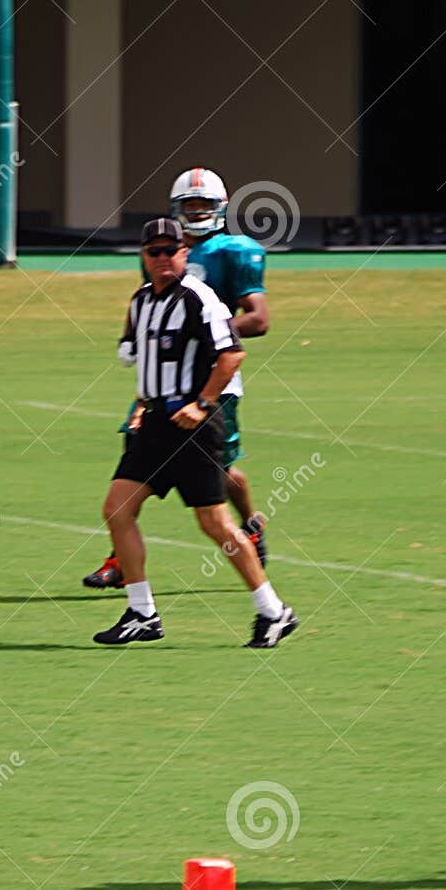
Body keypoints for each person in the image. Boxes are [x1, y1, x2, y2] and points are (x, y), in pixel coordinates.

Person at [93, 217, 298, 650]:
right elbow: (140, 357)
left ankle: (273, 611)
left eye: (173, 250)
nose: (164, 258)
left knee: (216, 523)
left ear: (186, 254)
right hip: (152, 424)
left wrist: (202, 403)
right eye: (155, 251)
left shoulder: (201, 299)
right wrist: (142, 405)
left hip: (193, 427)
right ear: (144, 257)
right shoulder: (142, 301)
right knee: (117, 508)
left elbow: (231, 356)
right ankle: (142, 613)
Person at [85, 166, 271, 588]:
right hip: (160, 383)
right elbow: (150, 310)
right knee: (132, 459)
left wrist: (200, 336)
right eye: (190, 205)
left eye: (204, 205)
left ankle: (250, 525)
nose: (198, 212)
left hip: (209, 380)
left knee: (221, 471)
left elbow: (259, 319)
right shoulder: (160, 249)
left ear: (220, 208)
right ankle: (120, 559)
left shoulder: (235, 251)